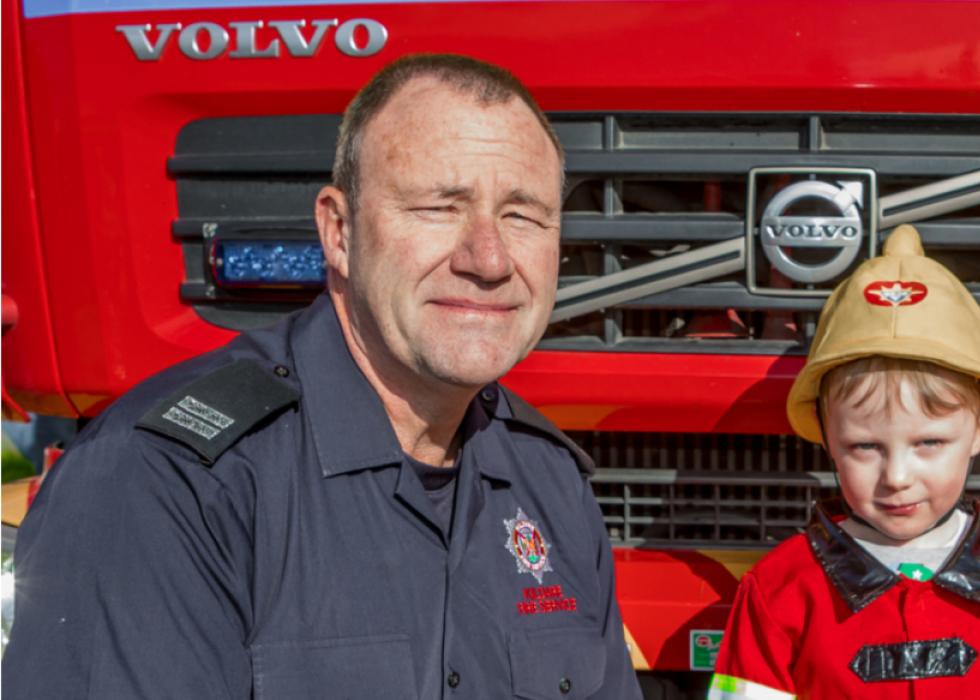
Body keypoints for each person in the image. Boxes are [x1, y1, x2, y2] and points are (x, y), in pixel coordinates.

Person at [4, 54, 642, 699]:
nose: (490, 258)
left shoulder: (550, 483)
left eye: (523, 215)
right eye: (438, 208)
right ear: (338, 232)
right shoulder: (170, 482)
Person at [709, 225, 980, 700]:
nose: (897, 478)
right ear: (825, 433)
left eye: (929, 442)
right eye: (865, 447)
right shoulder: (777, 593)